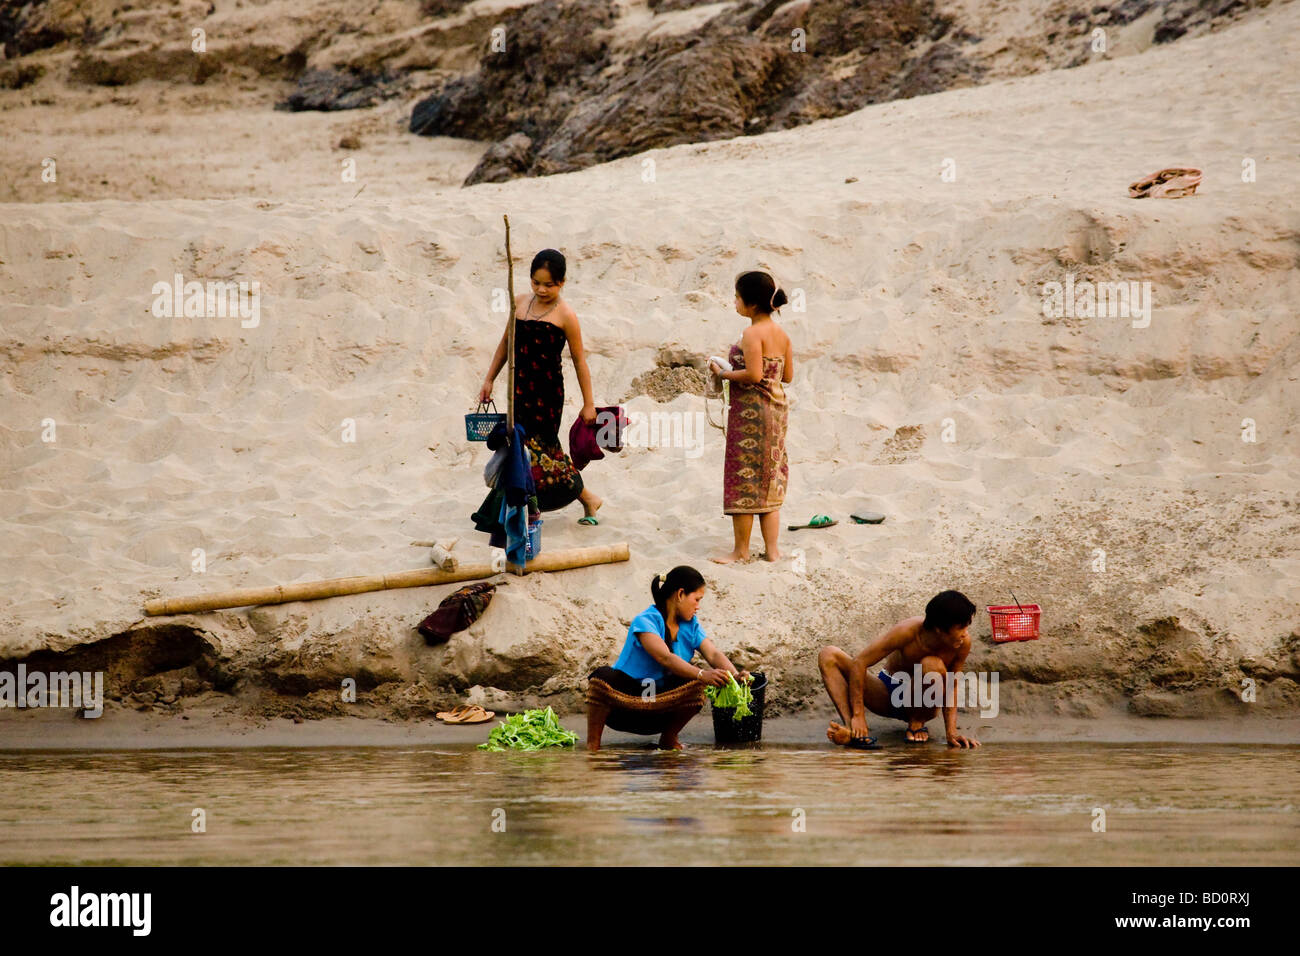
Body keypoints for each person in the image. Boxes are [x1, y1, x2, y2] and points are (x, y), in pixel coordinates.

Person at [478, 249, 603, 523]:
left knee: (540, 451)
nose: (542, 289)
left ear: (562, 282)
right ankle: (578, 501)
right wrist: (489, 379)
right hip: (518, 391)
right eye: (536, 282)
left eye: (549, 284)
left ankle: (529, 510)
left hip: (546, 396)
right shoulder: (520, 304)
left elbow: (581, 362)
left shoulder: (566, 316)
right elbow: (505, 345)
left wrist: (588, 403)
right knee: (520, 448)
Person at [586, 565, 749, 751]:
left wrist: (734, 676)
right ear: (680, 594)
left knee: (697, 685)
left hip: (661, 703)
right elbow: (665, 657)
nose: (698, 606)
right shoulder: (646, 620)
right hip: (625, 702)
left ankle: (669, 739)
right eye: (696, 599)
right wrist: (702, 673)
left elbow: (713, 654)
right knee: (601, 678)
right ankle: (593, 746)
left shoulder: (691, 625)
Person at [816, 590, 982, 748]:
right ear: (939, 629)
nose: (965, 634)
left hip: (923, 704)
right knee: (828, 654)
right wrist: (858, 715)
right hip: (887, 694)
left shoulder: (962, 643)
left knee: (932, 664)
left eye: (966, 627)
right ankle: (851, 728)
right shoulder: (908, 632)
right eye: (960, 627)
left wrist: (951, 733)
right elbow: (860, 662)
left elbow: (952, 685)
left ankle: (916, 722)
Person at [709, 270, 792, 563]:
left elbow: (754, 374)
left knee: (742, 476)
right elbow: (788, 375)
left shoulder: (751, 333)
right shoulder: (781, 334)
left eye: (737, 296)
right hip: (777, 412)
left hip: (751, 414)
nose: (734, 300)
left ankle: (741, 551)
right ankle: (772, 551)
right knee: (770, 476)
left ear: (752, 304)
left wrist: (723, 373)